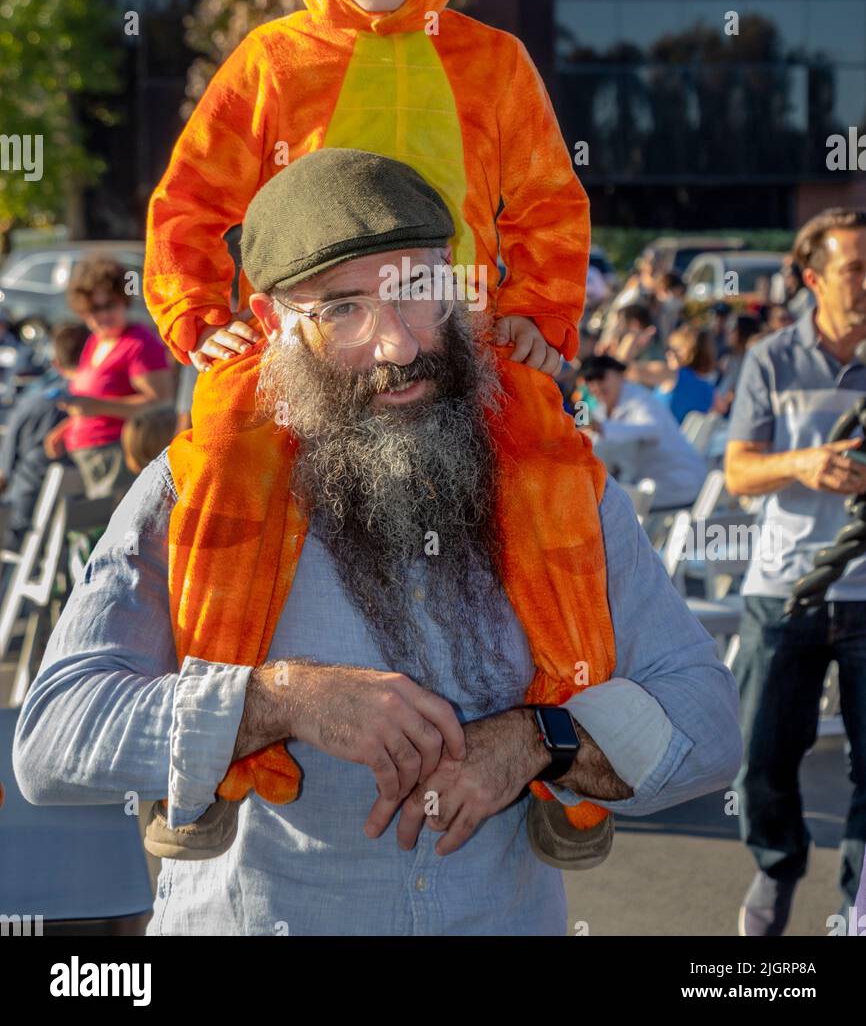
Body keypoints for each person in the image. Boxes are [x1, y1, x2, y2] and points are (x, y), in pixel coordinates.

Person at [14, 151, 742, 937]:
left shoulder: (557, 484)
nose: (396, 344)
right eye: (343, 309)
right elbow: (53, 738)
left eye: (417, 293)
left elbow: (710, 723)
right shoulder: (197, 490)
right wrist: (279, 700)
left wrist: (542, 738)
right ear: (270, 325)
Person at [141, 0, 617, 845]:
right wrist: (199, 321)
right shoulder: (267, 62)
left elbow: (549, 205)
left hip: (462, 356)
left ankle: (566, 745)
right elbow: (188, 205)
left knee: (555, 465)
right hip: (302, 361)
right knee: (218, 458)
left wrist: (542, 329)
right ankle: (222, 747)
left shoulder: (494, 63)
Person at [724, 207, 866, 936]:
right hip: (783, 589)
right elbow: (739, 471)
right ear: (814, 279)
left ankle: (858, 905)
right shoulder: (773, 357)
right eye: (855, 269)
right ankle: (777, 870)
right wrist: (806, 463)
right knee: (764, 761)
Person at [52, 258, 175, 500]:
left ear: (123, 300)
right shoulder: (96, 341)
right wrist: (65, 429)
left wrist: (96, 407)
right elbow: (93, 402)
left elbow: (160, 404)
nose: (103, 315)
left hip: (120, 459)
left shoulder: (139, 343)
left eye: (110, 304)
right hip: (90, 459)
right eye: (94, 309)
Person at [0, 322, 89, 556]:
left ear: (56, 364)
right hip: (71, 530)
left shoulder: (37, 403)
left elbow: (6, 467)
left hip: (25, 521)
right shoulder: (106, 406)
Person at [579, 353, 708, 510]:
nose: (596, 387)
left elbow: (653, 431)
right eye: (590, 382)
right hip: (654, 487)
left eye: (601, 378)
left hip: (680, 483)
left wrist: (601, 428)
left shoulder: (640, 399)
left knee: (610, 508)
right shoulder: (601, 411)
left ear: (620, 375)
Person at [629, 325, 717, 425]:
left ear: (690, 352)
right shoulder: (710, 389)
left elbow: (623, 370)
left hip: (658, 437)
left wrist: (632, 339)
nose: (669, 353)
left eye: (676, 349)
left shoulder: (671, 375)